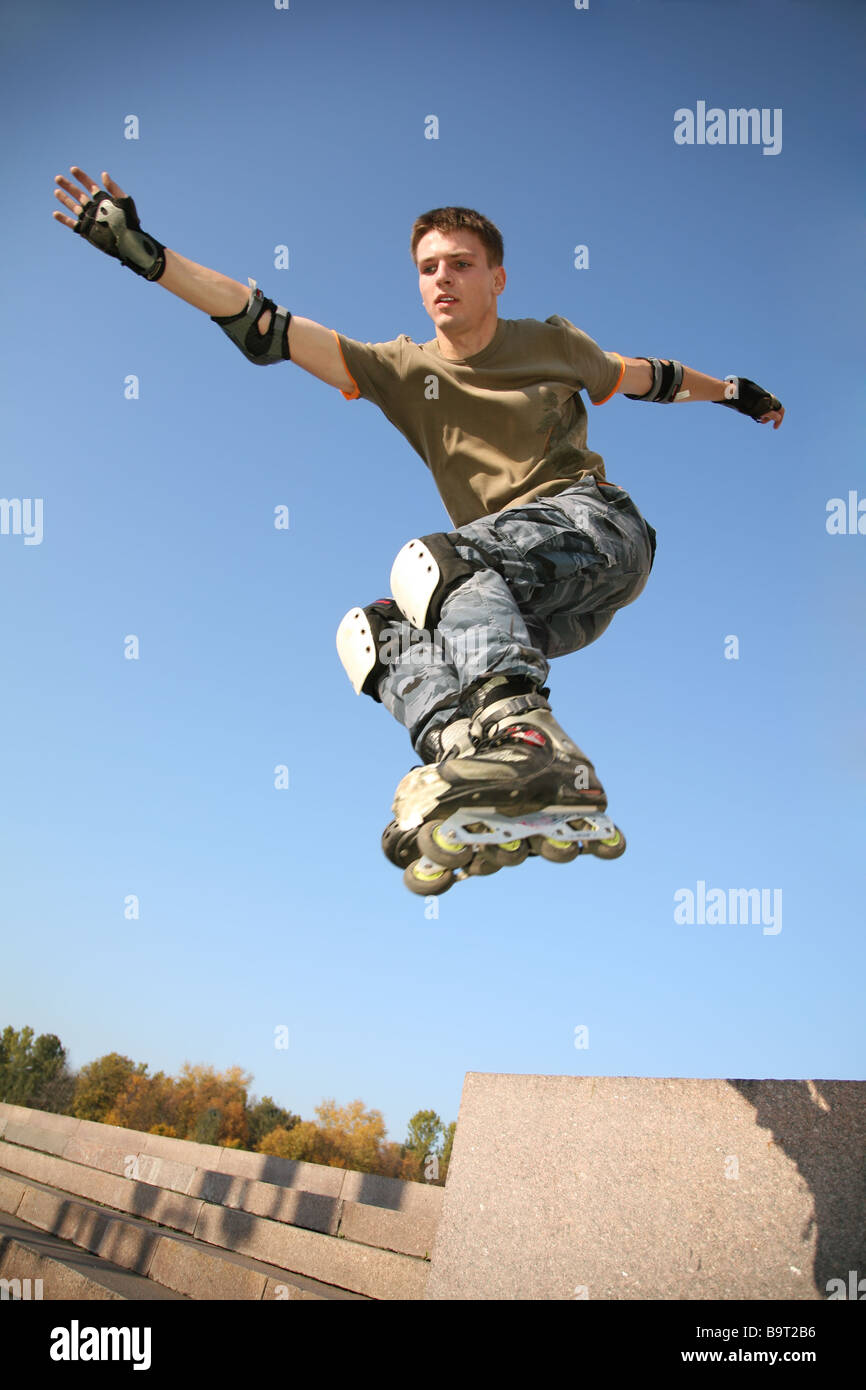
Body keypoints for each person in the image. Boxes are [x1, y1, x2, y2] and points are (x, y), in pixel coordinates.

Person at [52, 167, 784, 884]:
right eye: (429, 267)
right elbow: (261, 323)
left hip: (597, 533)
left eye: (462, 264)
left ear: (497, 278)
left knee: (432, 560)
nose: (443, 279)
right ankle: (466, 757)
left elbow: (645, 376)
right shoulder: (398, 368)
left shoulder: (553, 344)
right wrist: (151, 258)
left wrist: (733, 392)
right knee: (369, 630)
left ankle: (526, 735)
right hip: (518, 604)